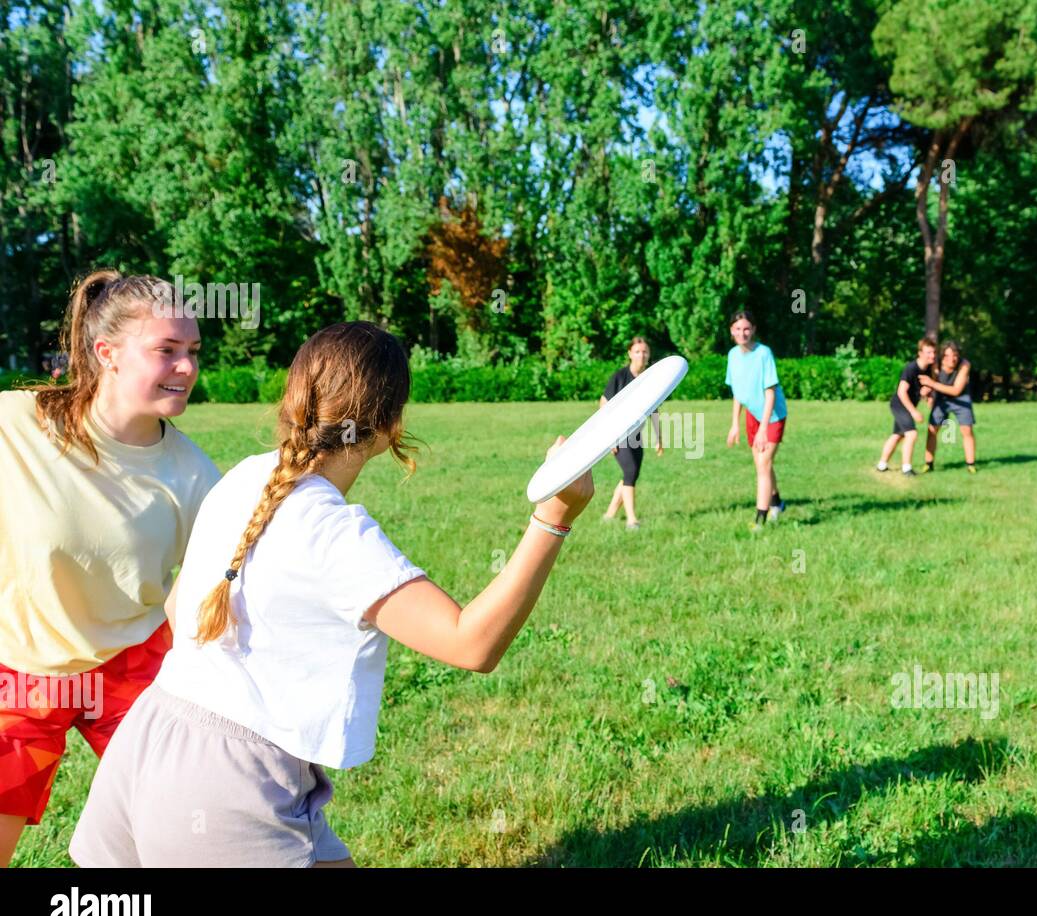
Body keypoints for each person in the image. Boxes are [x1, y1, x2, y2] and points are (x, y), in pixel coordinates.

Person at [70, 322, 594, 867]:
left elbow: (180, 608)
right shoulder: (335, 533)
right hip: (230, 786)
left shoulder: (246, 476)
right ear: (391, 425)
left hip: (151, 736)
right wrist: (552, 520)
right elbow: (471, 645)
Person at [0, 270, 218, 867]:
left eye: (192, 351)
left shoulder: (196, 476)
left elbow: (219, 591)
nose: (186, 367)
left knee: (188, 832)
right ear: (108, 354)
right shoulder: (16, 424)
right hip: (18, 666)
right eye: (166, 350)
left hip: (133, 663)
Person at [725, 310, 787, 530]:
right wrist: (735, 424)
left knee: (763, 464)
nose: (743, 333)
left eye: (747, 328)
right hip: (752, 414)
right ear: (732, 331)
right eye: (738, 329)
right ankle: (777, 502)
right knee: (762, 465)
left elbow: (770, 393)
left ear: (753, 330)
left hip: (773, 416)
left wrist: (763, 429)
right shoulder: (732, 355)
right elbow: (738, 394)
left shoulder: (763, 354)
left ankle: (760, 520)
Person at [601, 337, 663, 530]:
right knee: (630, 472)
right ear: (630, 354)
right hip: (618, 435)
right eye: (637, 351)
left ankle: (610, 514)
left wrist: (658, 437)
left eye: (644, 351)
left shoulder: (650, 379)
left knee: (630, 475)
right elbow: (604, 403)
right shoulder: (620, 377)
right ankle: (631, 519)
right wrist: (609, 437)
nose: (641, 355)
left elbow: (654, 410)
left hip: (637, 435)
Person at [877, 337, 936, 477]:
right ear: (920, 353)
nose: (932, 356)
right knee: (912, 434)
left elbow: (921, 390)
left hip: (906, 405)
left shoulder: (927, 370)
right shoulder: (911, 368)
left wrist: (926, 395)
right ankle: (906, 468)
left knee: (898, 435)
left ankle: (881, 465)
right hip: (899, 404)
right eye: (929, 352)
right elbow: (901, 391)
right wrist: (914, 412)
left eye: (933, 352)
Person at [920, 340, 977, 473]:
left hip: (961, 398)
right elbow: (931, 380)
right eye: (947, 355)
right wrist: (929, 395)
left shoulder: (964, 364)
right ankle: (929, 464)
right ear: (942, 356)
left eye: (955, 355)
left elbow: (956, 390)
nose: (952, 359)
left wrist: (932, 385)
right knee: (932, 429)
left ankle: (971, 464)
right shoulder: (936, 363)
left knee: (966, 430)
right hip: (941, 398)